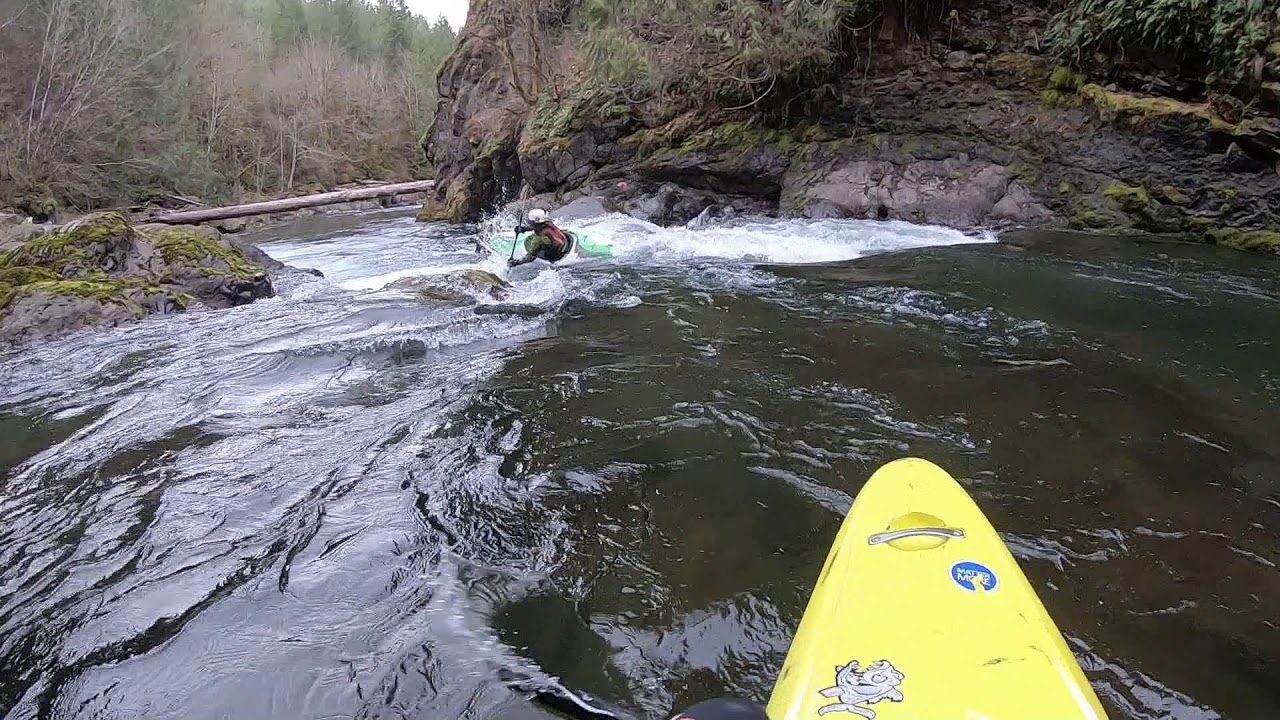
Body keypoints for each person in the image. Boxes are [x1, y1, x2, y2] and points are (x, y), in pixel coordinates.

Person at [508, 208, 574, 267]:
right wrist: (524, 229)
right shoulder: (548, 222)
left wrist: (515, 262)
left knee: (532, 241)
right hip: (564, 244)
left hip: (556, 253)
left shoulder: (538, 239)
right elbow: (539, 226)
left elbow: (531, 257)